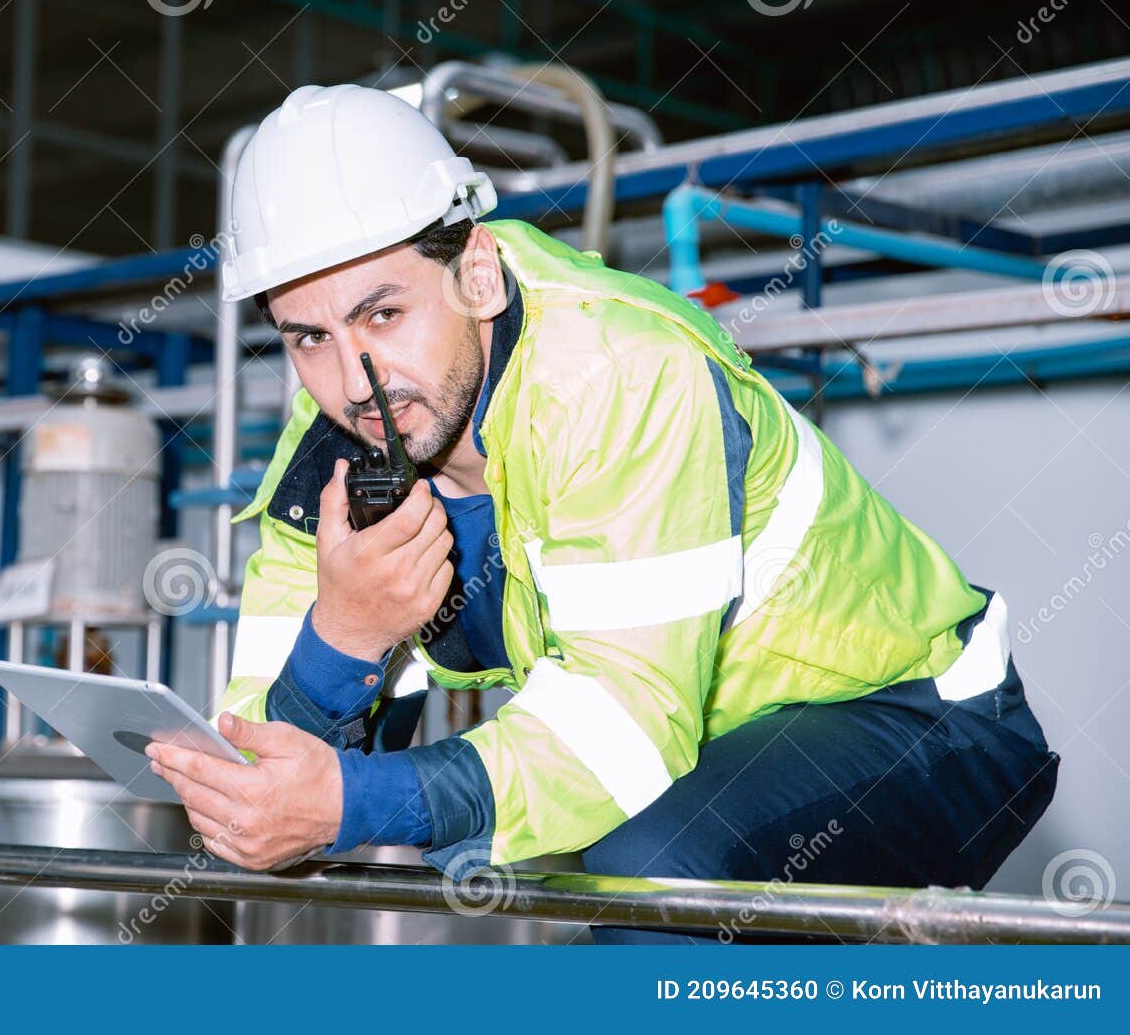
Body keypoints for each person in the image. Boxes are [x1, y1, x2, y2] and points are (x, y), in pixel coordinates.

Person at [145, 84, 1058, 942]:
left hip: (917, 714)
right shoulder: (331, 443)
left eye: (381, 313)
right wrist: (339, 641)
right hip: (710, 749)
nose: (351, 382)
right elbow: (264, 759)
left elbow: (624, 723)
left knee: (652, 868)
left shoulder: (620, 377)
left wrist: (359, 799)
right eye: (309, 337)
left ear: (477, 276)